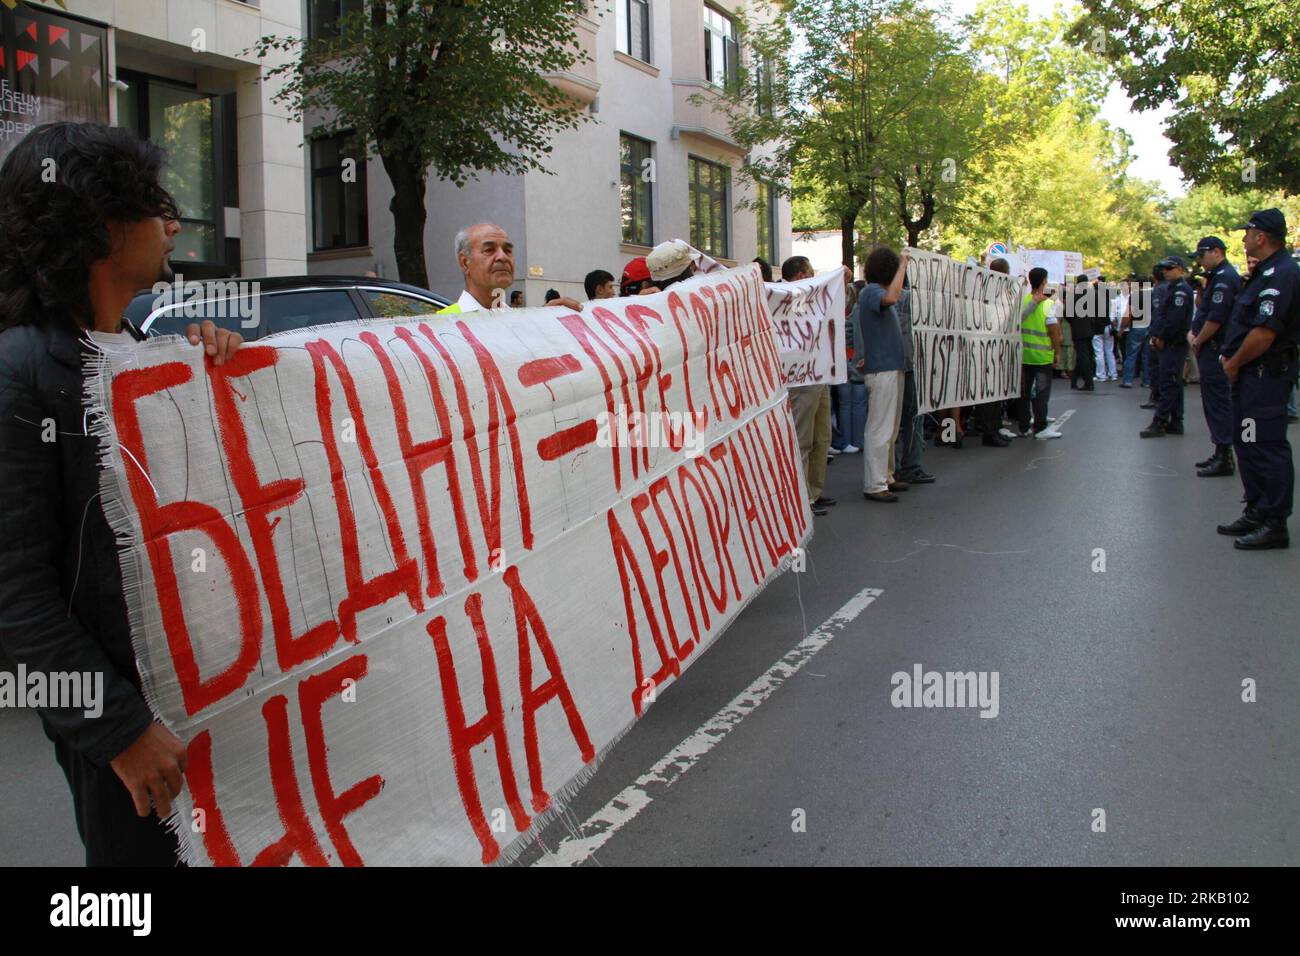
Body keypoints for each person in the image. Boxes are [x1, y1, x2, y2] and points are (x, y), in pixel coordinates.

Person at [0, 121, 245, 865]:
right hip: (129, 727)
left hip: (187, 701)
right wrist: (117, 731)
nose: (172, 224)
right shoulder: (20, 373)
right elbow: (14, 592)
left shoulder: (134, 351)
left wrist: (212, 373)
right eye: (152, 206)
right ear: (101, 227)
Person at [1216, 208, 1300, 550]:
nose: (1244, 238)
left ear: (1261, 237)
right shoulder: (1264, 273)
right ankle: (1256, 508)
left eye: (1247, 233)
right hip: (1250, 375)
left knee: (1265, 445)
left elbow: (1264, 333)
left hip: (1265, 375)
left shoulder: (1282, 274)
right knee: (1247, 442)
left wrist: (1234, 362)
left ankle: (1274, 521)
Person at [854, 246, 910, 502]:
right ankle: (875, 484)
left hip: (889, 367)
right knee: (880, 427)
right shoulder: (871, 292)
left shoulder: (872, 292)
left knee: (890, 427)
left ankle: (886, 476)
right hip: (883, 369)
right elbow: (892, 298)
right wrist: (903, 265)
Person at [781, 255, 834, 514]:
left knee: (822, 436)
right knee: (803, 438)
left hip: (817, 374)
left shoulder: (801, 296)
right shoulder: (786, 297)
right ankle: (801, 499)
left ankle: (814, 491)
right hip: (801, 378)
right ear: (802, 275)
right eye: (811, 272)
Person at [439, 222, 582, 314]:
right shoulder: (440, 327)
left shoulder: (520, 322)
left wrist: (541, 322)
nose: (502, 257)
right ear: (465, 262)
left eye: (508, 250)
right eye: (489, 250)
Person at [1188, 236, 1242, 476]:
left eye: (1202, 255)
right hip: (1209, 348)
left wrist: (1198, 339)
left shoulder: (1224, 278)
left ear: (1217, 252)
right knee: (1213, 402)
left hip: (1214, 347)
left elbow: (1216, 318)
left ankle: (1225, 456)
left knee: (1219, 403)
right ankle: (1221, 451)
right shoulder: (1217, 278)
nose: (1199, 261)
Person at [1141, 257, 1193, 437]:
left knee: (1168, 383)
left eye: (1169, 268)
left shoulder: (1181, 291)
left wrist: (1161, 336)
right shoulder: (1171, 288)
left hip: (1173, 343)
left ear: (1179, 269)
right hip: (1168, 341)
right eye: (1163, 268)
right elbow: (1160, 315)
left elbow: (1174, 320)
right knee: (1174, 382)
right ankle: (1176, 420)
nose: (1165, 271)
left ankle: (1160, 421)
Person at [893, 274, 937, 481]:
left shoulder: (875, 297)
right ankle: (910, 466)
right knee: (913, 415)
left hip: (892, 364)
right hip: (909, 364)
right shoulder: (909, 299)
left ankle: (891, 470)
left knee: (891, 421)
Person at [970, 258, 1012, 446]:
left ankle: (992, 428)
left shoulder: (986, 289)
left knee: (994, 393)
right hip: (989, 347)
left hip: (991, 346)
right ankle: (990, 431)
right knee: (991, 393)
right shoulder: (993, 292)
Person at [1017, 267, 1064, 439]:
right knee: (1042, 394)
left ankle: (1023, 426)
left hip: (1024, 355)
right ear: (1044, 281)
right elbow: (1053, 331)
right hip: (1042, 357)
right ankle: (1040, 427)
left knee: (1024, 393)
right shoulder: (1048, 304)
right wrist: (1057, 352)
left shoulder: (1023, 300)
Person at [1140, 263, 1168, 410]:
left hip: (1158, 333)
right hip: (1165, 334)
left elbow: (1158, 314)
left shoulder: (1159, 290)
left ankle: (1156, 396)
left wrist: (1155, 334)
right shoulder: (1169, 287)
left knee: (1155, 367)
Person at [1067, 278, 1095, 390]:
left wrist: (1074, 322)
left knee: (1083, 357)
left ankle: (1088, 383)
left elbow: (1067, 313)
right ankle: (1075, 380)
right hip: (1089, 330)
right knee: (1084, 356)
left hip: (1078, 330)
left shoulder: (1073, 296)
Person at [1090, 276, 1117, 381]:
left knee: (1098, 352)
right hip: (1108, 326)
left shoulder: (1092, 299)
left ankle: (1101, 375)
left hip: (1097, 328)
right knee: (1109, 351)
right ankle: (1113, 373)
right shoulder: (1108, 298)